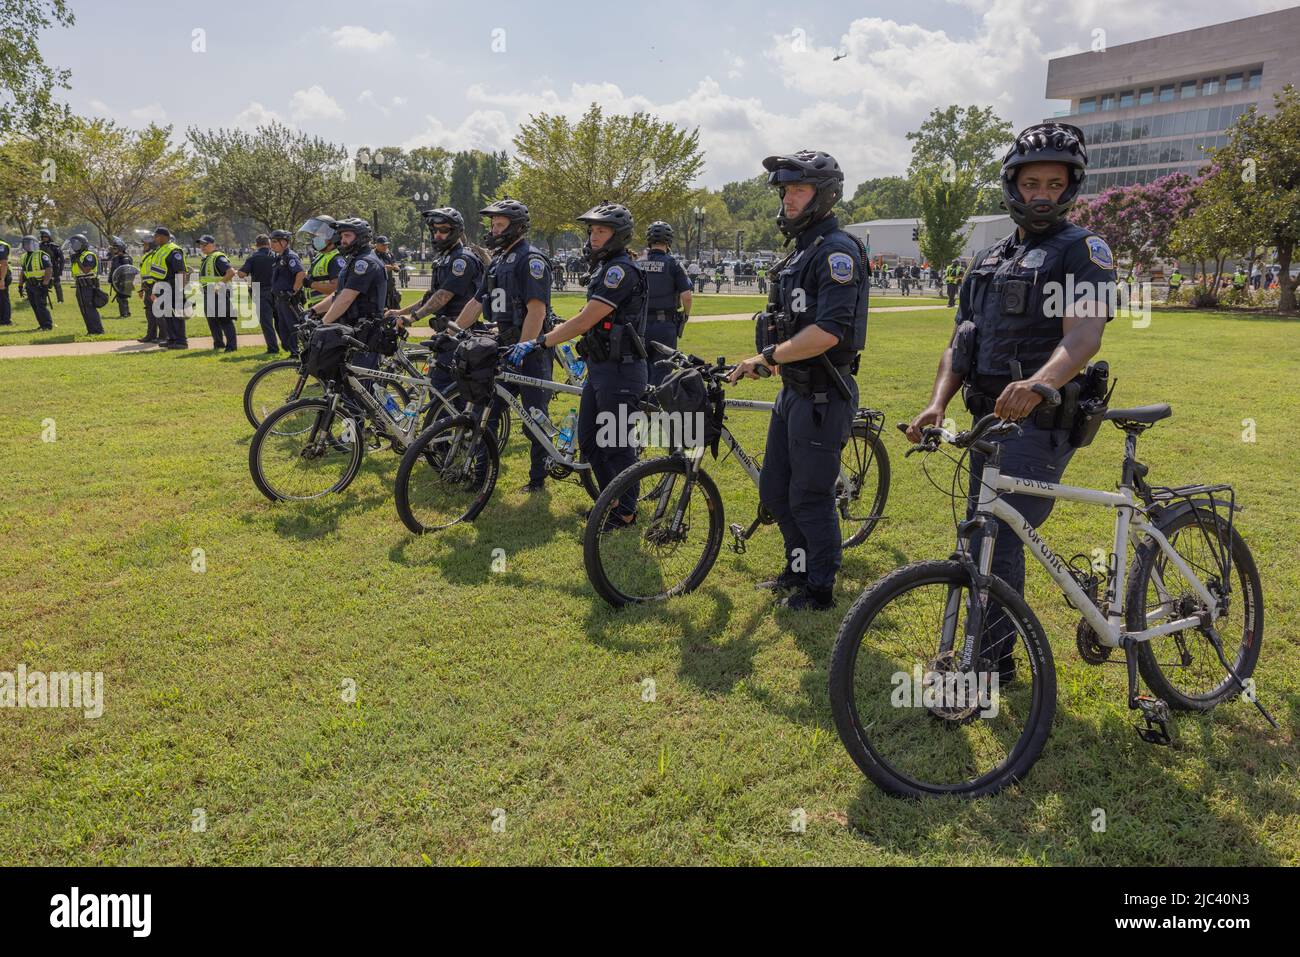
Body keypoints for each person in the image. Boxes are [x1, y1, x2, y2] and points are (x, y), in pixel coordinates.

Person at [904, 122, 1115, 684]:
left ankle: (991, 664)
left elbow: (1084, 336)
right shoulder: (989, 258)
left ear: (1070, 187)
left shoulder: (1082, 250)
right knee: (980, 533)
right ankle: (989, 654)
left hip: (1039, 421)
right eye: (1031, 183)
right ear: (1012, 187)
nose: (1041, 193)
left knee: (997, 539)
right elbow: (959, 343)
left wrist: (1038, 383)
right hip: (987, 419)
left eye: (1053, 182)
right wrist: (935, 405)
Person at [728, 149, 868, 611]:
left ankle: (819, 588)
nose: (788, 199)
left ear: (824, 196)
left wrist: (766, 356)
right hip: (794, 391)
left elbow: (829, 331)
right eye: (786, 191)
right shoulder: (803, 250)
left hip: (824, 395)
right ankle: (799, 566)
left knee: (810, 497)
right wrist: (772, 358)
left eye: (799, 190)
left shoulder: (837, 251)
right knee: (774, 491)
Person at [505, 202, 646, 525]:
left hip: (621, 371)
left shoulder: (620, 270)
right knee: (590, 443)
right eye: (592, 230)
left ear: (618, 235)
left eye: (602, 231)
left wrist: (539, 341)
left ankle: (625, 511)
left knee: (616, 444)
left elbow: (586, 320)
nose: (594, 237)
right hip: (600, 369)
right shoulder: (605, 267)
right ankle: (609, 502)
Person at [451, 199, 555, 493]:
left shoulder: (530, 259)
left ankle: (538, 479)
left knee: (534, 418)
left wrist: (522, 350)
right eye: (492, 224)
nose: (494, 230)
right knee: (485, 413)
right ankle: (481, 475)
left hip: (529, 352)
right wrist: (455, 331)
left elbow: (537, 311)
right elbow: (477, 301)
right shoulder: (497, 261)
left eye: (500, 224)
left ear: (517, 226)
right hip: (499, 348)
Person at [387, 207, 484, 401]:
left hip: (460, 332)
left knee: (443, 389)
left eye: (443, 230)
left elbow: (443, 296)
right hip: (446, 333)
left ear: (456, 231)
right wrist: (401, 311)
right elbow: (430, 297)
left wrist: (413, 318)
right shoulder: (445, 258)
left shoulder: (461, 259)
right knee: (440, 388)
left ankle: (446, 429)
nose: (437, 235)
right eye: (435, 231)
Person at [639, 221, 693, 387]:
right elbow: (687, 296)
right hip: (664, 325)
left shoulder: (638, 263)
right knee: (662, 369)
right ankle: (655, 408)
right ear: (668, 241)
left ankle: (639, 406)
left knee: (640, 368)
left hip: (639, 324)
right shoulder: (674, 264)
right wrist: (686, 314)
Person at [146, 227, 188, 348]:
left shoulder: (174, 250)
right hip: (162, 285)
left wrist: (181, 290)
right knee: (167, 314)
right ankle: (171, 339)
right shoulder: (161, 250)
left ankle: (181, 341)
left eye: (156, 236)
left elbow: (181, 271)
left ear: (164, 237)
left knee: (176, 314)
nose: (154, 238)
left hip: (173, 285)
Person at [237, 234, 280, 353]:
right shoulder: (276, 255)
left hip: (259, 290)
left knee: (266, 322)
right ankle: (288, 345)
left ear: (256, 244)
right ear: (269, 243)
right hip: (276, 290)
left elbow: (242, 274)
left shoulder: (253, 257)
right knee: (280, 319)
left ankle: (273, 347)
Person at [269, 229, 306, 358]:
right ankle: (293, 352)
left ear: (284, 242)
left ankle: (299, 352)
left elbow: (301, 273)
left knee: (294, 326)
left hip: (289, 299)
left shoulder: (290, 256)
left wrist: (293, 291)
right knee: (283, 327)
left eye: (275, 241)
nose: (271, 244)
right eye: (271, 241)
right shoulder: (280, 257)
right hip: (280, 299)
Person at [197, 234, 238, 351]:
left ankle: (231, 347)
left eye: (205, 244)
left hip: (219, 293)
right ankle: (218, 344)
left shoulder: (218, 257)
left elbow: (230, 272)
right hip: (208, 293)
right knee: (212, 320)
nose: (202, 247)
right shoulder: (207, 258)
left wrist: (219, 286)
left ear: (213, 245)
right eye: (201, 244)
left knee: (225, 320)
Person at [298, 215, 342, 311]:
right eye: (315, 235)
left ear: (333, 237)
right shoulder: (321, 256)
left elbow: (336, 288)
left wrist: (311, 284)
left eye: (320, 235)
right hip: (317, 309)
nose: (315, 239)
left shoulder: (336, 259)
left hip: (328, 309)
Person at [66, 234, 105, 335]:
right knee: (84, 309)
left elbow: (86, 270)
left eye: (76, 244)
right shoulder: (77, 256)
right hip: (80, 285)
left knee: (89, 308)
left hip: (88, 285)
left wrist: (78, 260)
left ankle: (97, 330)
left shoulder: (88, 255)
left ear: (82, 244)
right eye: (73, 244)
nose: (74, 246)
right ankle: (91, 330)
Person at [19, 235, 55, 330]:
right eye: (25, 243)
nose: (26, 245)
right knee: (34, 306)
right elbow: (23, 271)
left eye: (28, 243)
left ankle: (47, 325)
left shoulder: (42, 255)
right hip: (29, 285)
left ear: (34, 244)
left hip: (40, 284)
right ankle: (41, 325)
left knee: (41, 306)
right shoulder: (24, 256)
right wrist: (20, 285)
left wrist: (45, 284)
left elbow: (49, 269)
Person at [373, 235, 402, 311]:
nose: (385, 246)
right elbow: (373, 268)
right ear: (377, 245)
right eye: (383, 245)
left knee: (395, 307)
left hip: (390, 286)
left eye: (386, 245)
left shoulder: (389, 254)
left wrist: (394, 267)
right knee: (380, 308)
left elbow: (395, 265)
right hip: (377, 287)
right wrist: (384, 268)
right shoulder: (372, 255)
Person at [106, 236, 132, 318]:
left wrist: (116, 259)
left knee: (121, 298)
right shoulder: (117, 257)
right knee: (122, 297)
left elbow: (121, 269)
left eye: (115, 248)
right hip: (118, 281)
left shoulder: (125, 258)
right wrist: (111, 280)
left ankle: (124, 314)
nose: (114, 250)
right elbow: (113, 270)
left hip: (123, 281)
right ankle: (127, 313)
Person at [39, 229, 64, 304]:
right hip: (42, 268)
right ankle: (43, 299)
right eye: (43, 237)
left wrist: (60, 270)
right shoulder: (38, 246)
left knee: (57, 284)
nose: (44, 238)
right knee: (42, 284)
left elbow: (61, 259)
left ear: (49, 237)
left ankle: (60, 300)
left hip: (54, 268)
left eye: (46, 237)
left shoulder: (54, 247)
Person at [0, 236, 11, 326]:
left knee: (3, 298)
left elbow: (4, 264)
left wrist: (2, 280)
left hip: (3, 274)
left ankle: (5, 321)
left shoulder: (2, 246)